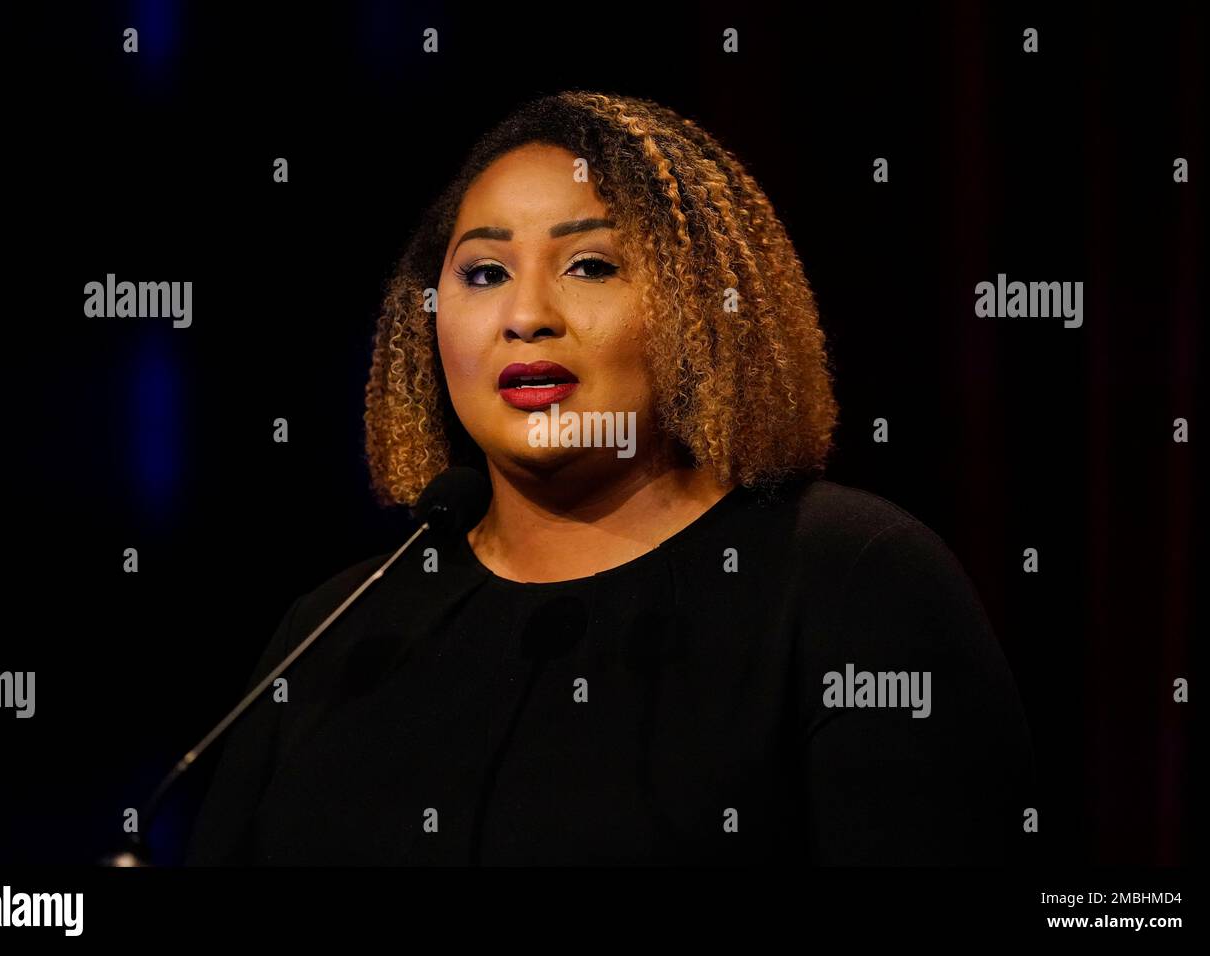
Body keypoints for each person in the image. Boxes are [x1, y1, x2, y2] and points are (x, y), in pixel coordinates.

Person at [185, 91, 1033, 865]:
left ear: (700, 307)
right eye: (484, 274)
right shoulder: (339, 627)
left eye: (590, 266)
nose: (527, 316)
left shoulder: (851, 580)